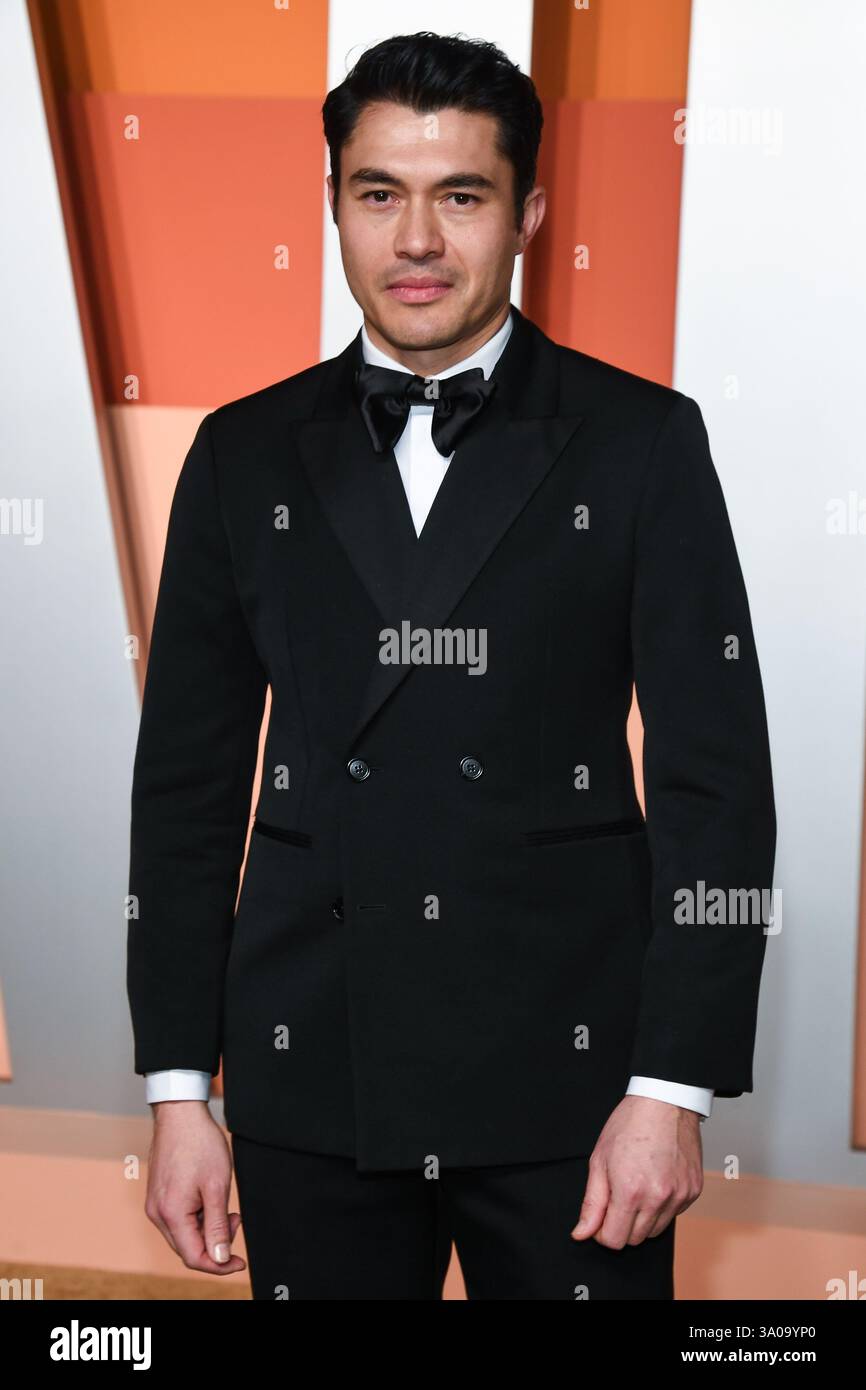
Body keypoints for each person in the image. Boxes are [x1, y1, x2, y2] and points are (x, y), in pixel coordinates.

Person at [127, 31, 776, 1300]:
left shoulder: (640, 443)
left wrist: (669, 1086)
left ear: (527, 212)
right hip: (312, 1070)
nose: (415, 240)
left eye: (459, 196)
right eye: (378, 194)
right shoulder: (242, 455)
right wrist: (174, 1088)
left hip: (575, 1093)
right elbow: (186, 796)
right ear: (332, 206)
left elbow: (717, 786)